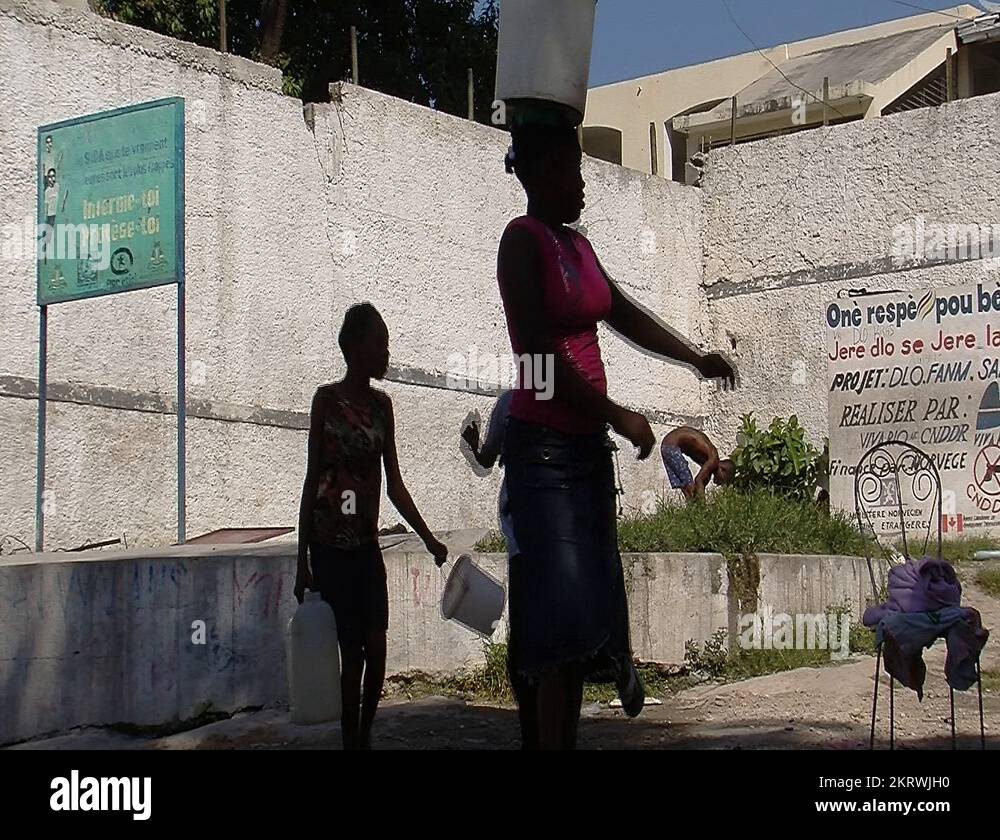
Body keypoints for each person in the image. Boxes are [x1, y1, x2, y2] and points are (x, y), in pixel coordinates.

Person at [497, 120, 736, 750]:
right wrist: (615, 412)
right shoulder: (520, 244)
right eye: (572, 170)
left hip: (582, 457)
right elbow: (538, 364)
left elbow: (624, 312)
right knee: (555, 633)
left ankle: (586, 699)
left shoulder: (578, 248)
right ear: (540, 174)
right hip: (543, 457)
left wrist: (694, 356)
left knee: (578, 628)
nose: (583, 183)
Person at [295, 303, 448, 750]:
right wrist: (300, 560)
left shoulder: (383, 407)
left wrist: (429, 537)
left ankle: (363, 732)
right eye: (380, 342)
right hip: (328, 546)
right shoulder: (326, 400)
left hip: (364, 546)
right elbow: (312, 479)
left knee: (376, 648)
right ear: (356, 348)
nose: (386, 352)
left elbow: (394, 484)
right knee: (352, 653)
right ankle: (351, 741)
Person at [660, 426, 735, 502]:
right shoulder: (713, 459)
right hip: (671, 446)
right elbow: (699, 480)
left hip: (667, 446)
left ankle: (693, 508)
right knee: (689, 485)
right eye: (722, 480)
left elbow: (701, 484)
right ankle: (700, 510)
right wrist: (703, 506)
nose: (718, 483)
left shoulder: (708, 463)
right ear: (723, 470)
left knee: (687, 487)